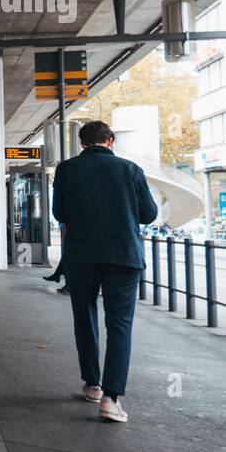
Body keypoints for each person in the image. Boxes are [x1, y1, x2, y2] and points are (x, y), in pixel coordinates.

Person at [51, 120, 158, 423]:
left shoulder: (67, 169)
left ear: (82, 143)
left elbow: (60, 212)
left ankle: (93, 384)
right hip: (123, 256)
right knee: (120, 323)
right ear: (110, 140)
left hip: (82, 256)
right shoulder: (130, 169)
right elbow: (149, 214)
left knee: (84, 317)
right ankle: (111, 400)